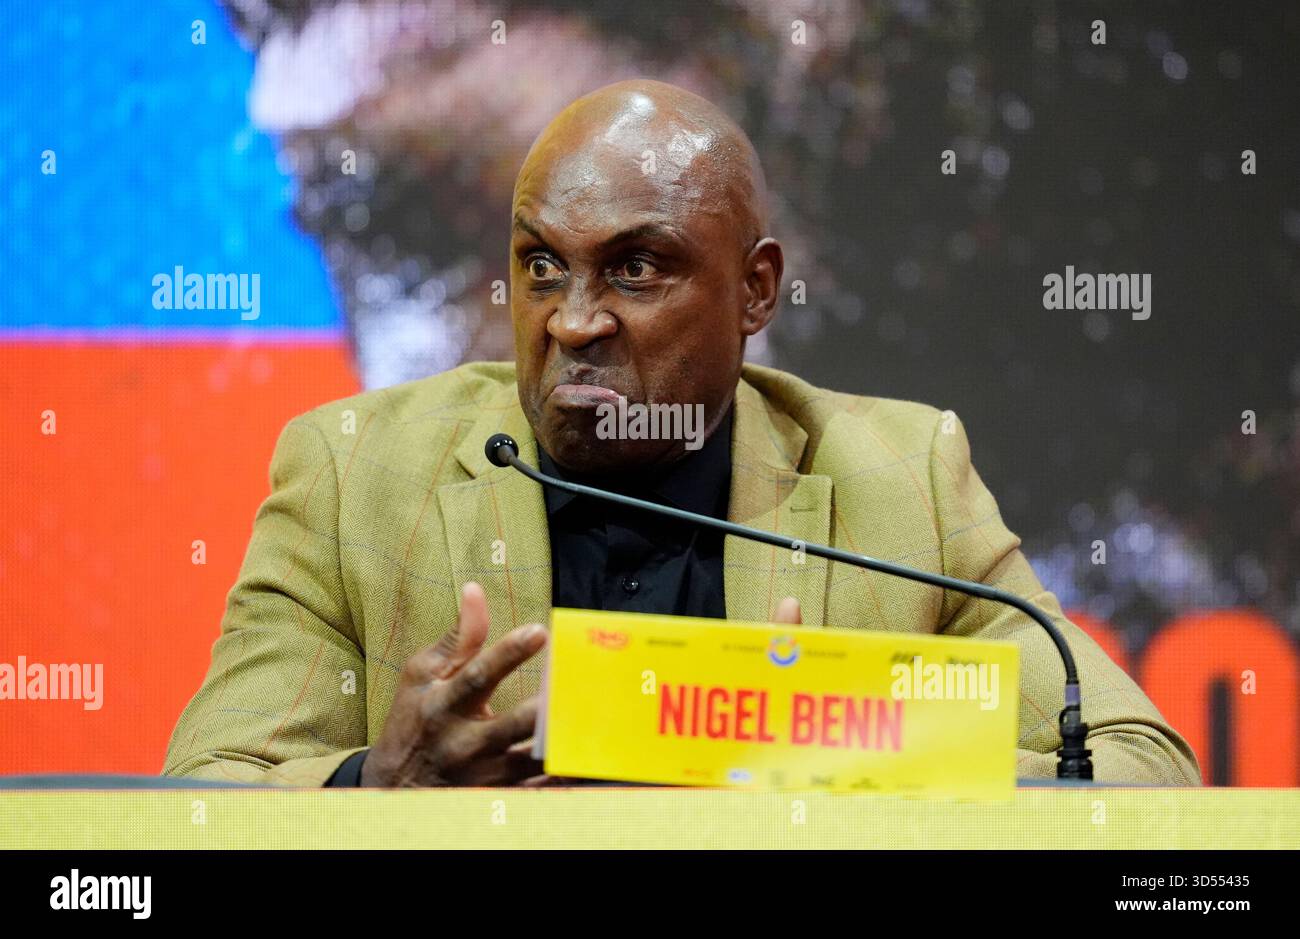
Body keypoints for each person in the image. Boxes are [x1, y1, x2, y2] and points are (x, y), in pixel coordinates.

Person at [164, 80, 1200, 788]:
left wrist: (848, 753)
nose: (572, 322)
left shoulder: (901, 479)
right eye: (541, 266)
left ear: (755, 290)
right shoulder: (354, 471)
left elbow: (1138, 771)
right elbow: (202, 796)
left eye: (636, 268)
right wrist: (372, 786)